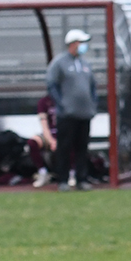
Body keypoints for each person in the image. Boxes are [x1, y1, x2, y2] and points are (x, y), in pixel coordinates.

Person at [47, 29, 99, 190]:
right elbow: (51, 84)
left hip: (84, 113)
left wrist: (93, 104)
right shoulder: (59, 62)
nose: (83, 46)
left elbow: (92, 86)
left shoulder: (85, 64)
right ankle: (63, 179)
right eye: (81, 42)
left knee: (82, 147)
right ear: (73, 43)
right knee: (65, 147)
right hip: (67, 114)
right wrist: (62, 104)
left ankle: (81, 179)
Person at [30, 94, 59, 188]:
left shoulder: (67, 99)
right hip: (49, 134)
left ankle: (72, 172)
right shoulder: (44, 102)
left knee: (72, 141)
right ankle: (43, 172)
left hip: (65, 133)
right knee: (32, 142)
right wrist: (51, 140)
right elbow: (44, 125)